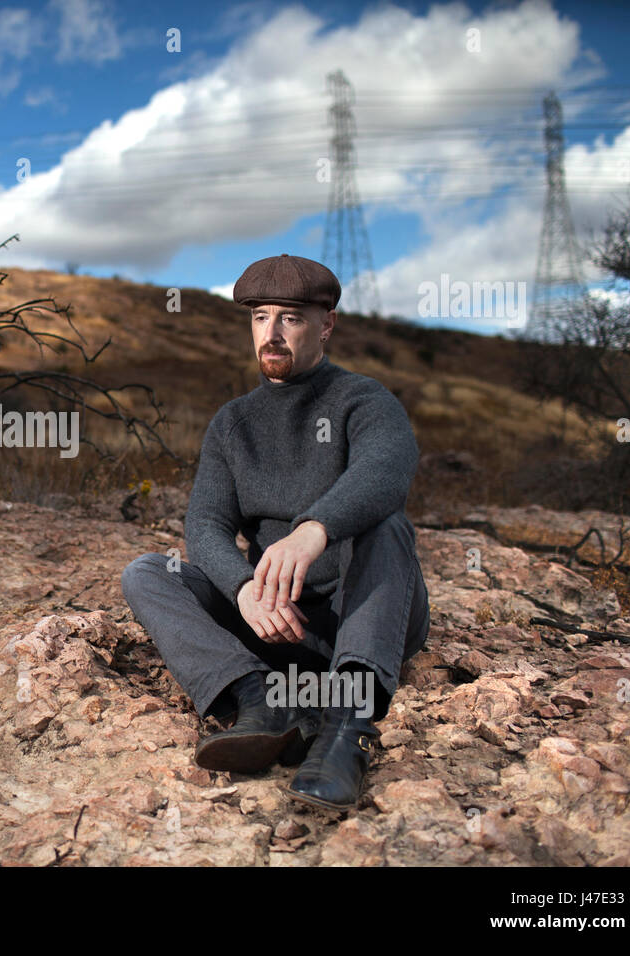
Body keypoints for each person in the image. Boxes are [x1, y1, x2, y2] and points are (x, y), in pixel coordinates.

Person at [120, 254, 430, 812]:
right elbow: (207, 522)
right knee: (147, 571)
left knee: (386, 523)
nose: (273, 334)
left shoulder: (364, 399)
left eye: (291, 318)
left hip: (362, 615)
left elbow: (386, 470)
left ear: (326, 325)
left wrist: (316, 528)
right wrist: (243, 589)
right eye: (261, 318)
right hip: (275, 623)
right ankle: (257, 697)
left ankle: (346, 727)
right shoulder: (233, 421)